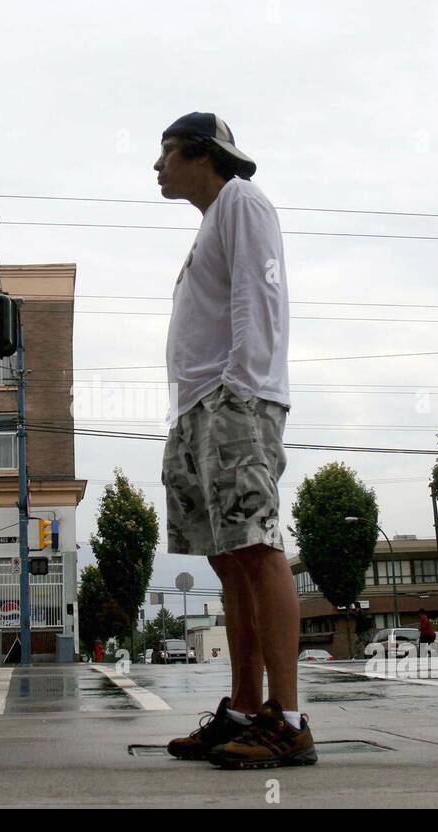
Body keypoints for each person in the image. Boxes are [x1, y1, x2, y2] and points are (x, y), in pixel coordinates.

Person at [156, 113, 314, 769]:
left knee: (254, 543)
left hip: (234, 402)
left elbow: (262, 294)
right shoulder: (210, 221)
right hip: (197, 409)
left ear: (200, 154)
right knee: (227, 557)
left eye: (164, 153)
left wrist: (239, 389)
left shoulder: (242, 201)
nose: (157, 168)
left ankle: (290, 718)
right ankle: (246, 708)